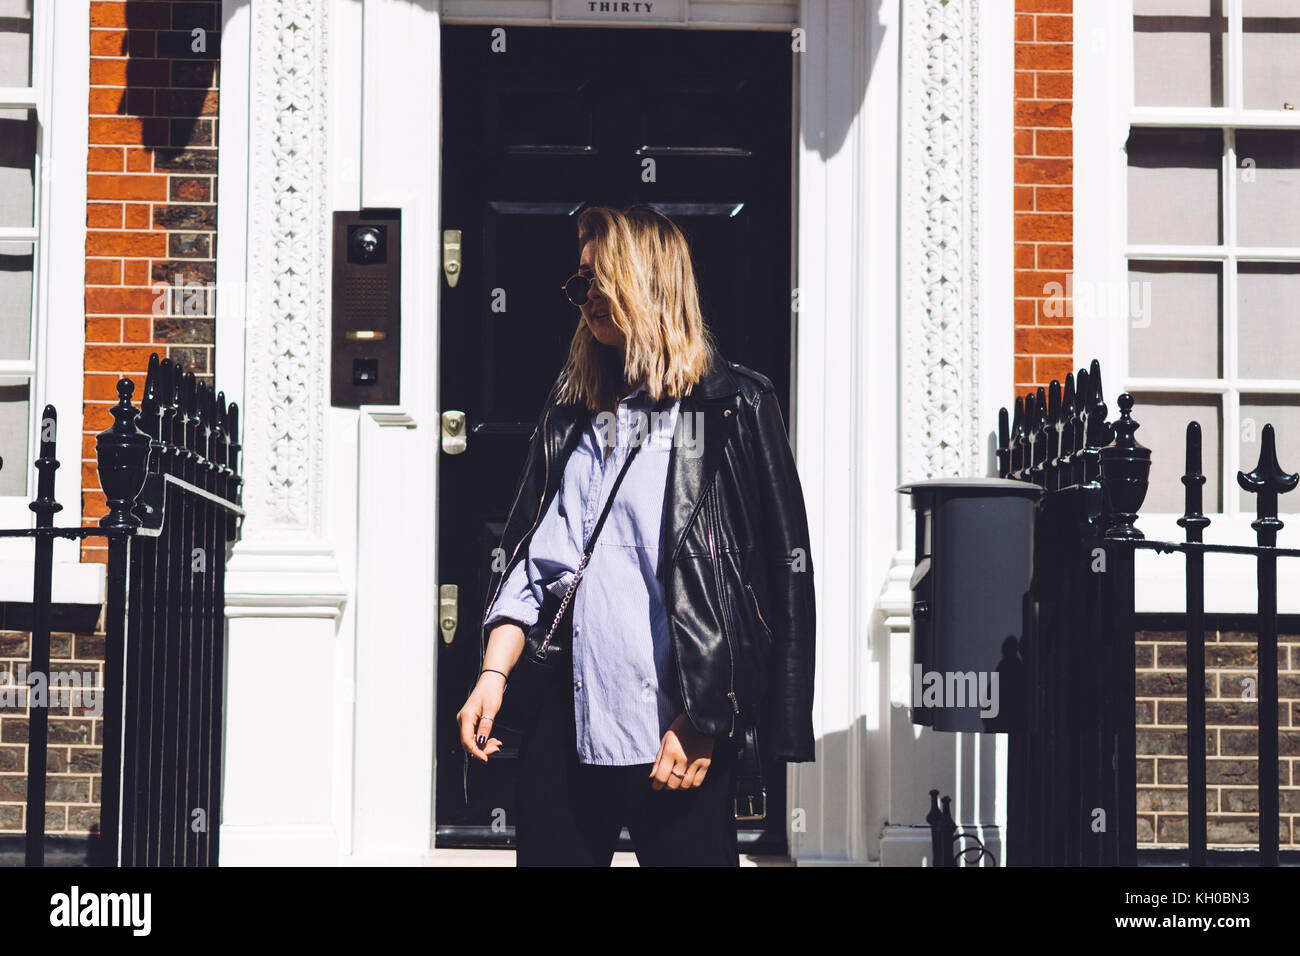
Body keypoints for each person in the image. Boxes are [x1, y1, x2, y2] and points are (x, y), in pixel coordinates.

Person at [456, 204, 816, 867]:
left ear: (650, 281)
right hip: (566, 727)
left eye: (602, 279)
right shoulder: (575, 420)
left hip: (676, 734)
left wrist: (713, 720)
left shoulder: (733, 407)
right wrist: (491, 673)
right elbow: (537, 567)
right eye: (580, 284)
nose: (587, 296)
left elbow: (778, 578)